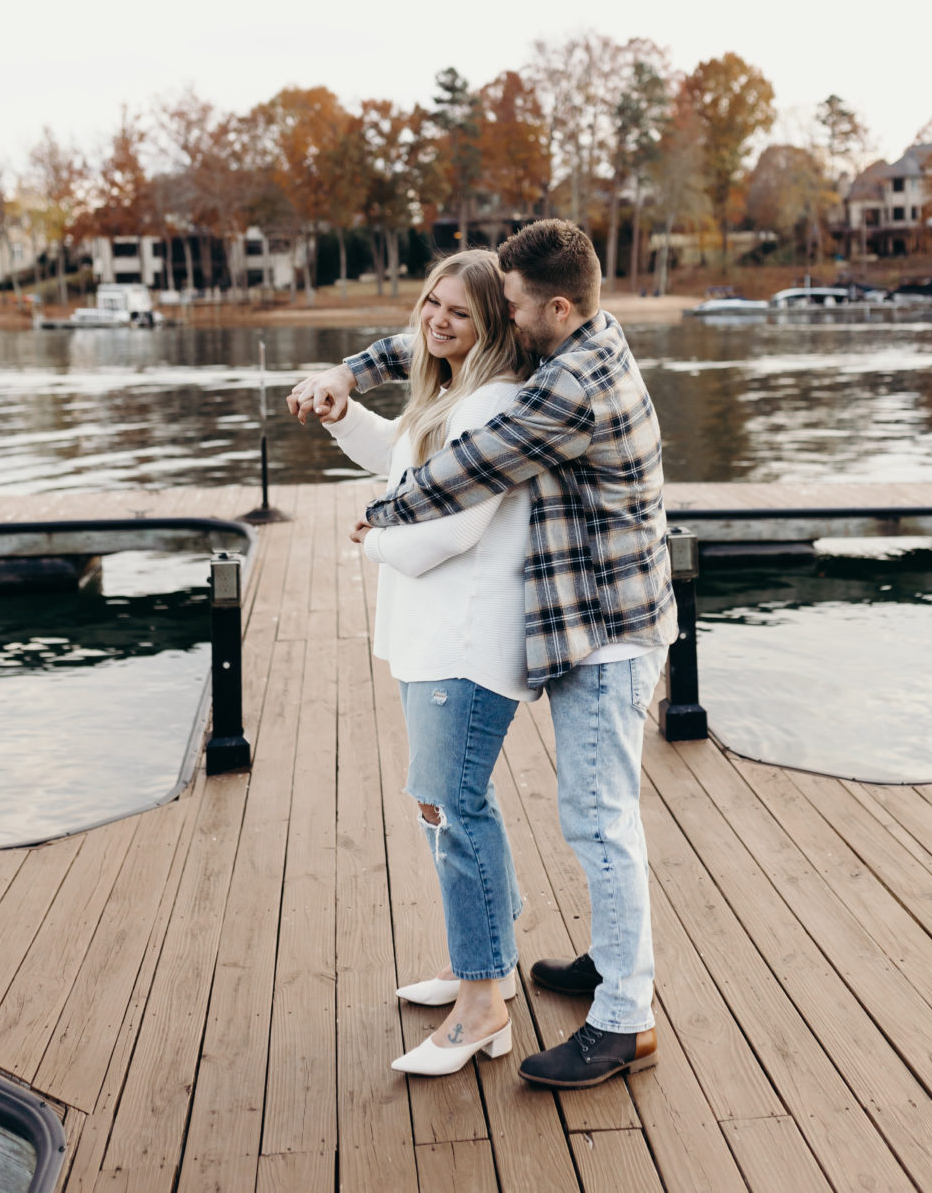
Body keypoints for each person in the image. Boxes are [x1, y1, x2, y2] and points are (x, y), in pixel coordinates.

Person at [290, 219, 677, 1089]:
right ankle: (611, 961)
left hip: (611, 630)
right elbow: (427, 337)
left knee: (598, 819)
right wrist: (350, 374)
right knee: (580, 813)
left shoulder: (568, 386)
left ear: (557, 307)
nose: (496, 312)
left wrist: (379, 518)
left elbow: (469, 472)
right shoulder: (569, 335)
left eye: (507, 303)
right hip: (583, 616)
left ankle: (625, 1017)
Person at [324, 249, 537, 1078]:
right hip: (427, 640)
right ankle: (480, 955)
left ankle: (483, 1005)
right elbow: (397, 458)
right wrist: (343, 407)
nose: (436, 320)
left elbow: (456, 530)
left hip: (467, 644)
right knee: (445, 803)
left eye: (458, 310)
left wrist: (375, 541)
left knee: (453, 810)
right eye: (429, 304)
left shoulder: (496, 406)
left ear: (492, 320)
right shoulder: (451, 396)